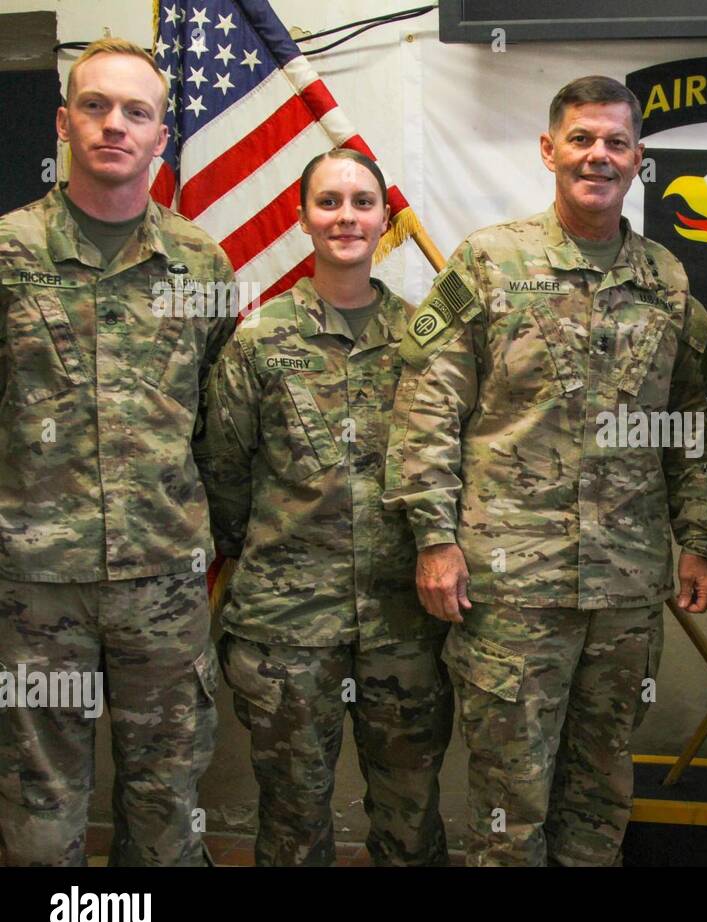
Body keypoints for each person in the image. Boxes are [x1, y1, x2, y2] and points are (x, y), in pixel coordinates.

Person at [384, 76, 707, 866]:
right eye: (581, 139)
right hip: (509, 587)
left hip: (626, 587)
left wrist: (697, 537)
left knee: (601, 792)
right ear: (549, 150)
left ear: (639, 159)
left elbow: (685, 428)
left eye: (615, 142)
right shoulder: (491, 262)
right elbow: (428, 407)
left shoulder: (667, 282)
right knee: (509, 798)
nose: (597, 156)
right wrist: (434, 539)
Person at [0, 38, 234, 866]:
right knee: (40, 800)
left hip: (162, 585)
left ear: (161, 135)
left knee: (167, 800)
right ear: (64, 122)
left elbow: (220, 426)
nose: (115, 125)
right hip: (36, 590)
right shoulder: (9, 255)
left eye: (137, 111)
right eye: (95, 106)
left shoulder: (203, 262)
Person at [196, 149, 453, 866]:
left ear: (383, 220)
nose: (347, 217)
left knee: (410, 818)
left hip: (402, 622)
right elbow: (224, 470)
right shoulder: (259, 340)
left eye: (363, 202)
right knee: (292, 819)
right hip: (286, 629)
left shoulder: (421, 342)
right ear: (302, 217)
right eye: (330, 202)